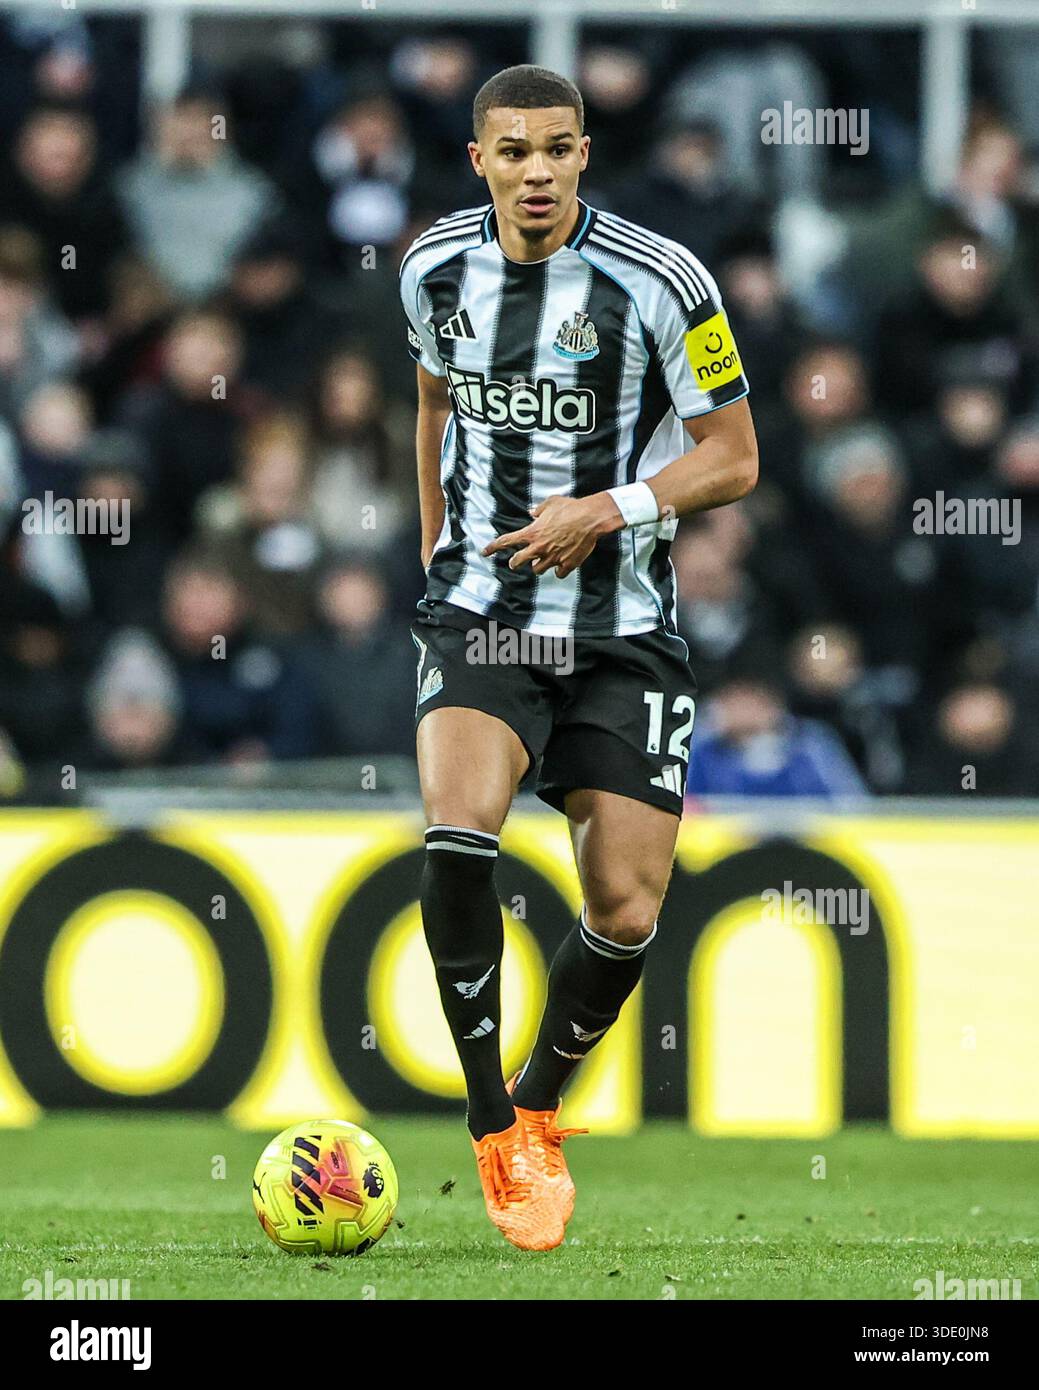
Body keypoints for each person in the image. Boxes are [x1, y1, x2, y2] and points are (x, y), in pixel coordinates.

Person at [399, 65, 758, 1252]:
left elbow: (733, 457)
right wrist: (435, 548)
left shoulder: (664, 279)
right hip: (481, 610)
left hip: (620, 626)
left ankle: (543, 1104)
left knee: (627, 902)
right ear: (480, 162)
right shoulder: (431, 267)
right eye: (514, 153)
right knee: (458, 835)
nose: (537, 172)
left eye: (558, 149)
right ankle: (492, 1120)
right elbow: (434, 400)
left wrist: (604, 510)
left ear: (585, 154)